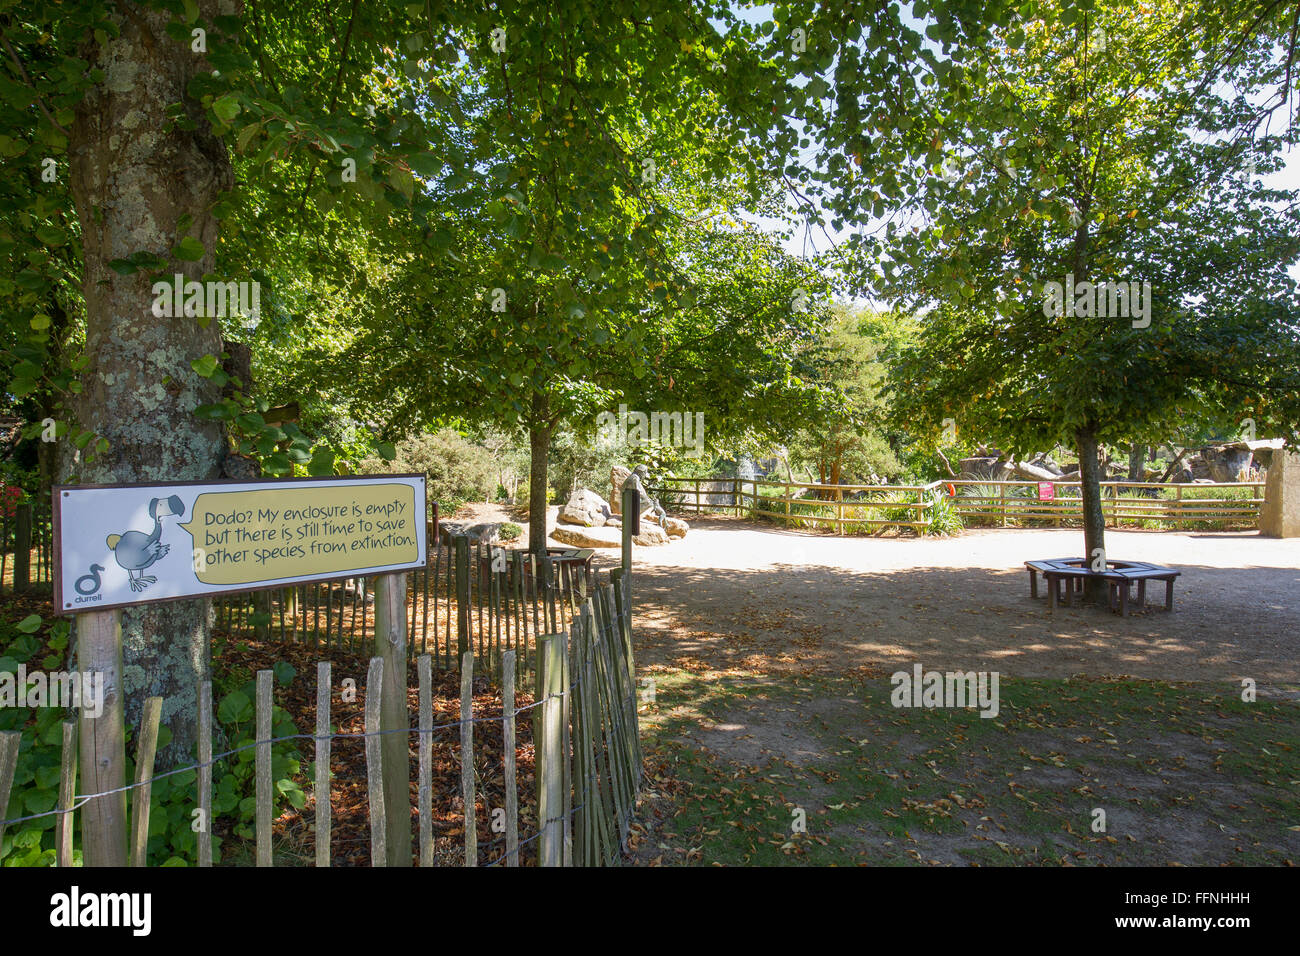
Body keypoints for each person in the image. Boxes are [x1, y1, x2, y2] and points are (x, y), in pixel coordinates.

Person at [622, 464, 668, 529]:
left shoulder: (634, 477)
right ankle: (662, 520)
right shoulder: (634, 478)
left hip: (630, 501)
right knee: (652, 504)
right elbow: (638, 492)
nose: (644, 475)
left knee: (653, 503)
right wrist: (648, 500)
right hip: (630, 504)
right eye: (645, 473)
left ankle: (662, 519)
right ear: (642, 472)